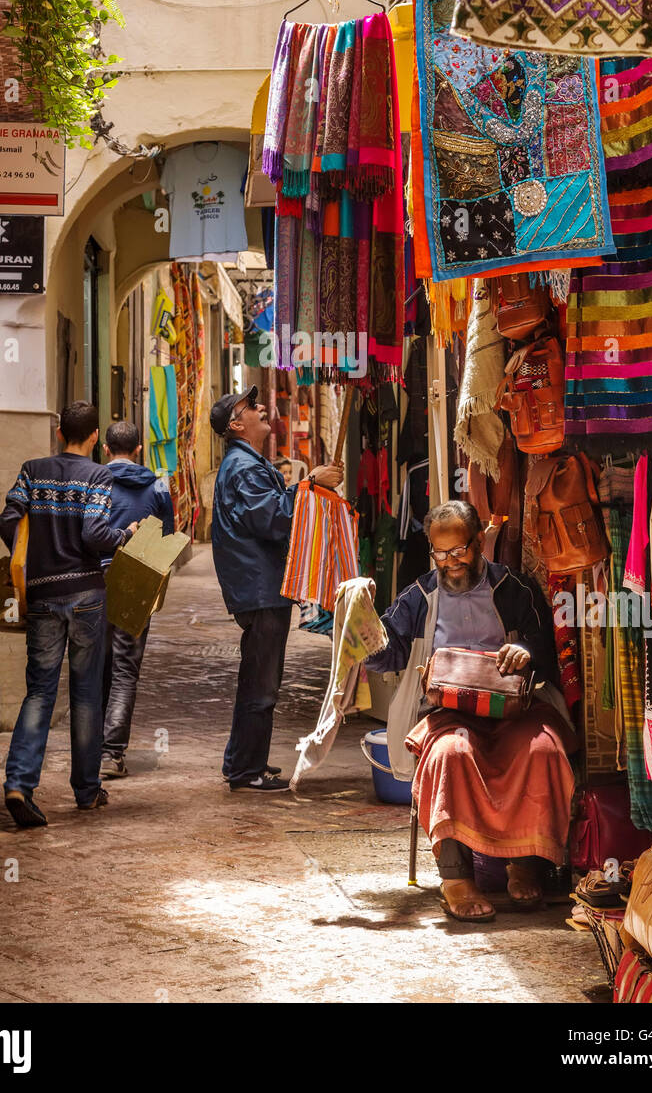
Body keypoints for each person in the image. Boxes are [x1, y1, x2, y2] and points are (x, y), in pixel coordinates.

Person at [366, 499, 577, 921]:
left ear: (479, 542)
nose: (450, 562)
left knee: (542, 751)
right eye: (439, 553)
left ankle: (524, 863)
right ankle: (456, 878)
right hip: (449, 713)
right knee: (451, 755)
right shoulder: (419, 596)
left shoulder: (513, 588)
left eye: (459, 550)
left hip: (513, 709)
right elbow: (384, 656)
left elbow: (548, 654)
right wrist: (360, 627)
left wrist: (525, 651)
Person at [0, 401, 138, 827]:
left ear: (60, 433)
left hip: (42, 595)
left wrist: (32, 555)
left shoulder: (32, 469)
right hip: (86, 596)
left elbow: (8, 521)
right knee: (85, 693)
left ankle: (19, 784)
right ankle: (86, 789)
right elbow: (95, 534)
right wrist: (124, 535)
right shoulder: (97, 475)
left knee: (39, 692)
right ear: (95, 437)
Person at [210, 385, 344, 792]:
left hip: (261, 586)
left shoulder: (247, 463)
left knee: (258, 677)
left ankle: (242, 761)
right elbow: (272, 518)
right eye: (252, 406)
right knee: (262, 683)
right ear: (237, 424)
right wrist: (312, 484)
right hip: (260, 588)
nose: (262, 407)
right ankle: (245, 771)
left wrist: (307, 487)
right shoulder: (244, 467)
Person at [100, 419, 175, 781]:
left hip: (93, 579)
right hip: (137, 578)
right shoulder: (158, 483)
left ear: (105, 450)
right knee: (125, 668)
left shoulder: (94, 481)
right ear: (139, 450)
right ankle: (111, 754)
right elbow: (168, 536)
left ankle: (89, 750)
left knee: (93, 665)